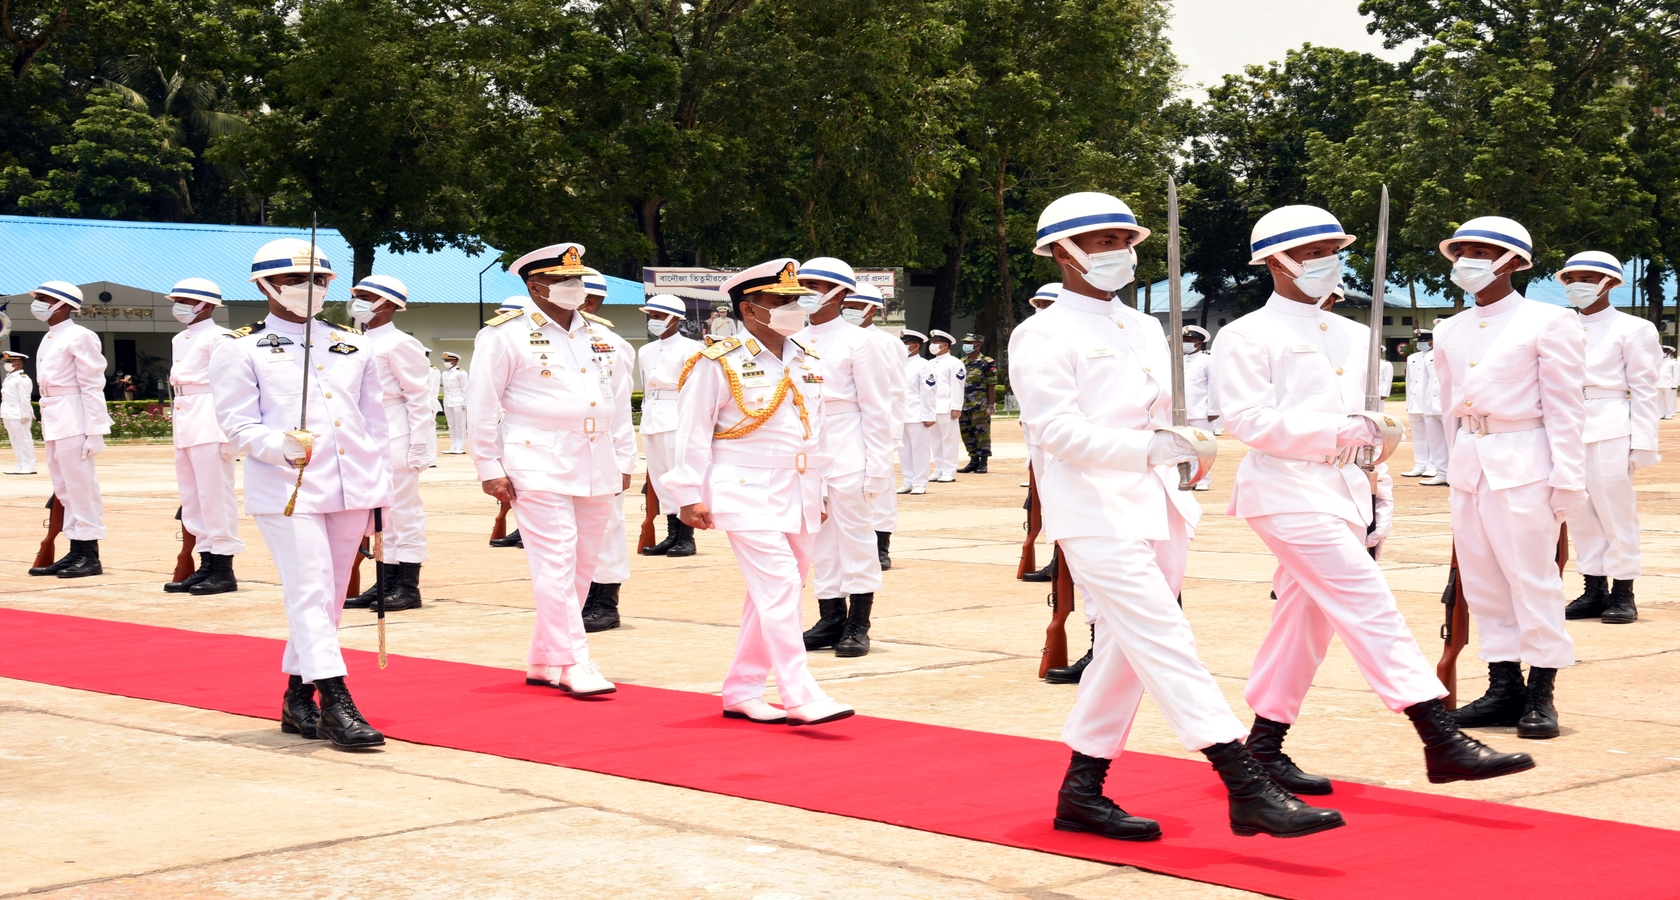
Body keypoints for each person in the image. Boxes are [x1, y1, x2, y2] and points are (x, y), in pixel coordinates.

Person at [1016, 190, 1343, 842]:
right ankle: (1244, 783)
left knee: (1126, 653)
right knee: (1166, 638)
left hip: (1159, 506)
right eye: (1102, 242)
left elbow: (1168, 413)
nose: (1118, 254)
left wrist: (1190, 443)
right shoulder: (1041, 333)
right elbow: (1056, 432)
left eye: (1123, 241)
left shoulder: (1140, 326)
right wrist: (1149, 449)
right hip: (1092, 511)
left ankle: (1081, 792)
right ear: (1062, 252)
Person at [1214, 204, 1534, 794]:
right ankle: (1438, 735)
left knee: (1304, 622)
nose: (1327, 263)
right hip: (1284, 488)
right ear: (1276, 263)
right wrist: (1337, 433)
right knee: (1367, 600)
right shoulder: (1246, 334)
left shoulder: (1356, 333)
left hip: (1346, 491)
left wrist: (1378, 466)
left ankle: (1263, 745)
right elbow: (1247, 420)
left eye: (1333, 251)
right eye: (1313, 253)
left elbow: (1368, 422)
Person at [212, 238, 391, 749]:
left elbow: (374, 428)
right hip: (287, 489)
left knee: (328, 600)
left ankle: (297, 697)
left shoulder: (354, 345)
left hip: (350, 487)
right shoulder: (240, 347)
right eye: (295, 281)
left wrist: (382, 499)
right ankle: (336, 702)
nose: (309, 290)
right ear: (265, 286)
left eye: (318, 280)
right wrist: (278, 444)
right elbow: (236, 425)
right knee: (310, 591)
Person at [666, 258, 854, 726]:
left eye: (795, 299)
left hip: (800, 489)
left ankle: (743, 688)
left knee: (774, 594)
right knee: (780, 586)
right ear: (750, 310)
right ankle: (799, 692)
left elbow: (818, 433)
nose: (795, 307)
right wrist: (687, 493)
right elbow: (691, 432)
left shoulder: (806, 359)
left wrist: (824, 489)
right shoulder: (718, 361)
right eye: (782, 301)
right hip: (743, 488)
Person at [1433, 216, 1586, 740]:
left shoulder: (1549, 321)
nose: (1467, 260)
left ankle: (1541, 692)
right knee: (1481, 580)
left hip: (1526, 456)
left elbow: (1566, 407)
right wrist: (1452, 467)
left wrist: (1568, 478)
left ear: (1514, 262)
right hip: (1471, 460)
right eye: (1461, 251)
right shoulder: (1448, 329)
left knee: (1532, 578)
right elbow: (1449, 409)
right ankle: (1504, 687)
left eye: (1480, 250)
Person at [467, 242, 632, 696]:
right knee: (555, 560)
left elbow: (617, 405)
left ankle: (544, 657)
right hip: (536, 456)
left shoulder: (601, 336)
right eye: (563, 281)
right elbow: (481, 404)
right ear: (534, 285)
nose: (574, 288)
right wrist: (487, 464)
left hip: (597, 456)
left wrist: (624, 458)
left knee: (582, 564)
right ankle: (572, 660)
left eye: (577, 279)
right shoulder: (504, 335)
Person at [793, 258, 893, 658]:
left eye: (815, 286)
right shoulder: (793, 338)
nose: (805, 293)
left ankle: (858, 622)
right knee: (817, 535)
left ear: (841, 294)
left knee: (854, 535)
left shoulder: (860, 341)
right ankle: (830, 616)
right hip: (808, 444)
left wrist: (878, 468)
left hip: (849, 438)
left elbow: (877, 408)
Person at [1556, 251, 1660, 625]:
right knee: (1578, 510)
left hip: (1611, 423)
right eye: (1571, 279)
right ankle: (1594, 589)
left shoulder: (1633, 328)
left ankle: (1623, 591)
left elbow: (1645, 388)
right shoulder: (1559, 325)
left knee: (1616, 512)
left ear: (1610, 283)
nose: (1577, 285)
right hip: (1566, 423)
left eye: (1586, 278)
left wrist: (1644, 442)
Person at [340, 275, 433, 613]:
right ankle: (385, 579)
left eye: (367, 297)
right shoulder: (355, 341)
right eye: (358, 296)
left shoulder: (399, 343)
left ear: (389, 305)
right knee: (379, 515)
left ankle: (407, 586)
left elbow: (420, 398)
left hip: (396, 434)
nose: (359, 302)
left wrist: (420, 446)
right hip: (366, 436)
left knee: (404, 513)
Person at [163, 278, 243, 594]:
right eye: (176, 300)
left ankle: (223, 568)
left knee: (215, 495)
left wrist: (230, 432)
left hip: (211, 416)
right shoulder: (181, 338)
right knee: (192, 496)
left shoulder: (221, 338)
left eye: (184, 300)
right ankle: (206, 561)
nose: (177, 306)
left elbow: (233, 385)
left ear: (205, 305)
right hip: (186, 415)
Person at [26, 281, 111, 578]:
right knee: (64, 489)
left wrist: (96, 430)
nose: (37, 303)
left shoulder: (80, 336)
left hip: (74, 416)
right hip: (55, 416)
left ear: (62, 304)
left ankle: (89, 555)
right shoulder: (51, 336)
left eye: (44, 299)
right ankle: (75, 549)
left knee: (81, 487)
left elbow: (92, 385)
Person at [578, 268, 636, 631]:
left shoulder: (612, 344)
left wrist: (625, 459)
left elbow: (621, 408)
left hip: (603, 448)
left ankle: (605, 600)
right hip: (559, 448)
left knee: (608, 525)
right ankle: (579, 596)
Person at [637, 293, 704, 558]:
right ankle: (672, 534)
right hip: (652, 416)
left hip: (677, 415)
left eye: (658, 316)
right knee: (661, 478)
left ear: (674, 319)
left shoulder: (692, 348)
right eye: (650, 316)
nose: (653, 321)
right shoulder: (645, 350)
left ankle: (686, 537)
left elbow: (694, 389)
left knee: (680, 477)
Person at [849, 283, 905, 570]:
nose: (848, 310)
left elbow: (895, 391)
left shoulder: (887, 343)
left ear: (872, 310)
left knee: (881, 487)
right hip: (839, 427)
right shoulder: (828, 338)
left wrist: (891, 434)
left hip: (876, 425)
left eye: (855, 307)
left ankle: (881, 544)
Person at [897, 330, 937, 495]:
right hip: (900, 415)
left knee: (920, 450)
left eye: (906, 344)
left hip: (917, 414)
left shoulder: (924, 365)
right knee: (903, 451)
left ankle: (920, 482)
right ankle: (908, 480)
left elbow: (928, 391)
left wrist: (928, 415)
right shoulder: (898, 364)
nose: (903, 347)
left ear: (916, 346)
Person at [1182, 325, 1218, 491]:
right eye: (1184, 340)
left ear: (1199, 343)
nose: (1185, 343)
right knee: (1184, 448)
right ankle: (1187, 478)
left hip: (1201, 412)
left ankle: (1203, 479)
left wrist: (1213, 410)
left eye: (1189, 341)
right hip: (1181, 411)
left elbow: (1214, 386)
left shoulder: (1207, 360)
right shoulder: (1177, 360)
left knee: (1203, 448)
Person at [926, 330, 965, 481]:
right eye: (931, 343)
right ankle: (939, 468)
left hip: (946, 406)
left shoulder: (954, 362)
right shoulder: (929, 363)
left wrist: (956, 406)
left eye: (935, 343)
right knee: (934, 440)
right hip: (931, 407)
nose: (932, 345)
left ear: (945, 345)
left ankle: (949, 470)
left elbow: (957, 385)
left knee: (949, 440)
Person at [956, 334, 998, 474]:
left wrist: (991, 405)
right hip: (963, 404)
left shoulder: (987, 362)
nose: (966, 345)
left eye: (969, 342)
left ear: (978, 345)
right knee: (967, 433)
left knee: (982, 433)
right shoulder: (962, 362)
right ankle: (973, 460)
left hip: (980, 404)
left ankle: (983, 462)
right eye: (965, 342)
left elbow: (991, 384)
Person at [1402, 329, 1438, 478]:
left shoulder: (1437, 356)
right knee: (1418, 437)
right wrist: (1408, 402)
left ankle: (1433, 465)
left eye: (1424, 341)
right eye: (1419, 342)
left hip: (1430, 403)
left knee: (1434, 437)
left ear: (1432, 341)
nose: (1421, 344)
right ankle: (1420, 464)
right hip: (1414, 403)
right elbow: (1409, 382)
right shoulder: (1412, 358)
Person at [3, 350, 36, 475]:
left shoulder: (23, 379)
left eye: (9, 361)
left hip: (18, 414)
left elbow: (25, 399)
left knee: (24, 440)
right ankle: (21, 464)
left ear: (17, 363)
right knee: (15, 440)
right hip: (9, 413)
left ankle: (29, 465)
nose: (7, 364)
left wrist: (26, 415)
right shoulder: (10, 378)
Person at [441, 352, 469, 453]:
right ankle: (453, 445)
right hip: (448, 401)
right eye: (445, 361)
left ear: (454, 361)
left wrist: (465, 403)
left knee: (460, 424)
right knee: (451, 424)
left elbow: (465, 388)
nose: (446, 362)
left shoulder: (461, 373)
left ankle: (460, 447)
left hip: (458, 401)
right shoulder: (444, 373)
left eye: (448, 360)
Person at [1660, 346, 1678, 419]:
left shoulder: (1673, 362)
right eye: (1663, 351)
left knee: (1669, 400)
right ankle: (1661, 413)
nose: (1663, 352)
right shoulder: (1658, 361)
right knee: (1659, 400)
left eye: (1665, 351)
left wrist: (1675, 384)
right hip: (1659, 384)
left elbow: (1676, 374)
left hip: (1669, 384)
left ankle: (1669, 413)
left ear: (1670, 352)